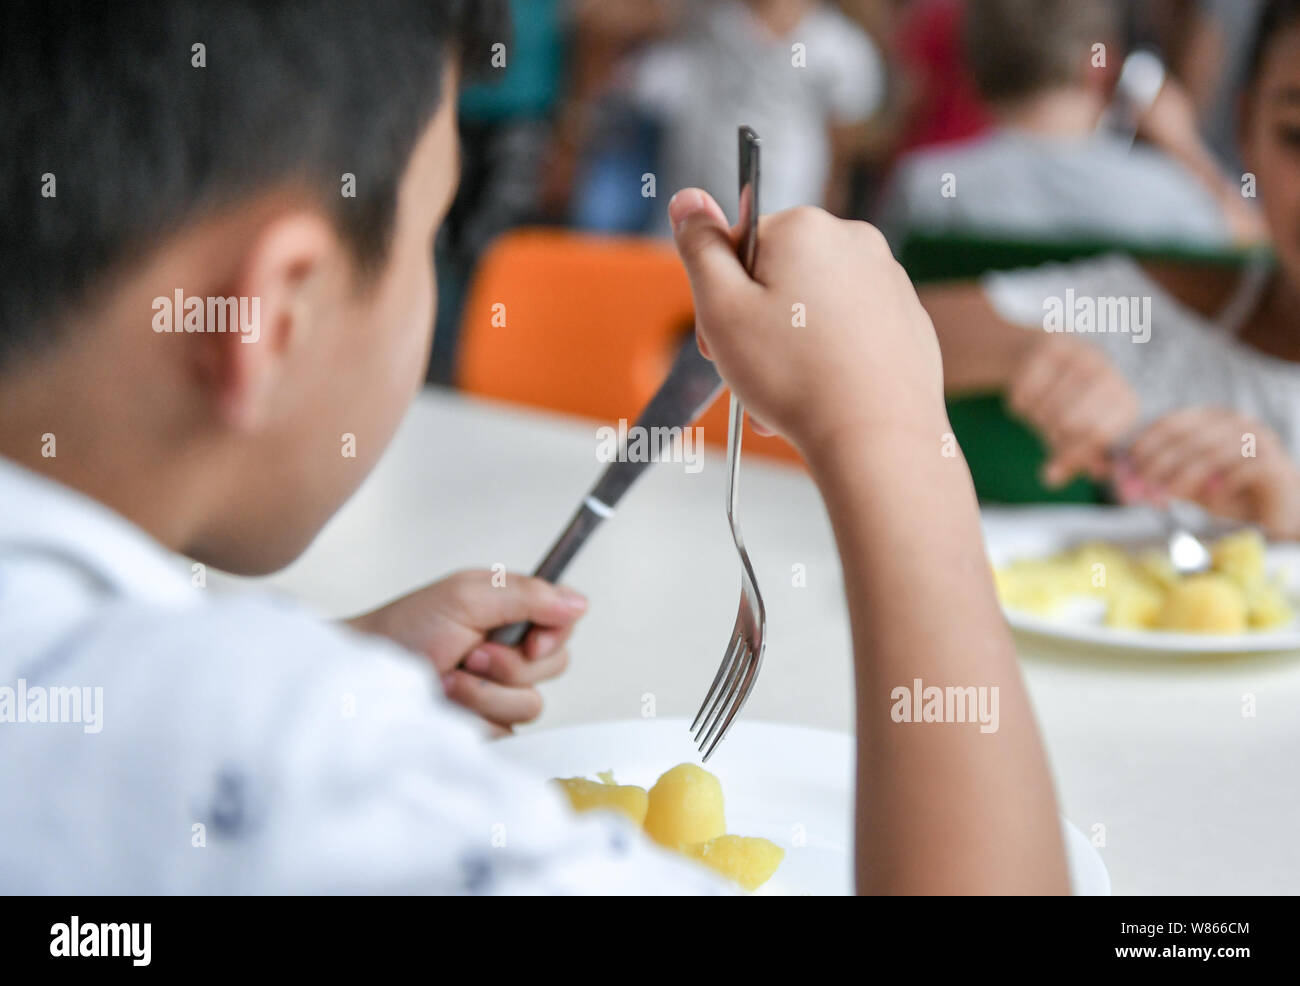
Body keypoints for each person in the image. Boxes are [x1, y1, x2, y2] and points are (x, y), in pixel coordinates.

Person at [0, 0, 1066, 894]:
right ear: (273, 316)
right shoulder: (308, 771)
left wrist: (333, 660)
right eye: (432, 235)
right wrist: (890, 433)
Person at [921, 0, 1300, 540]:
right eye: (1297, 134)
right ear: (1247, 130)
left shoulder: (929, 177)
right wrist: (1028, 350)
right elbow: (863, 337)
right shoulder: (1158, 309)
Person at [876, 0, 1263, 250]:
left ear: (973, 68)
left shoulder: (924, 189)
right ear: (1102, 66)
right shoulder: (1166, 196)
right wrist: (1186, 147)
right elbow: (1261, 258)